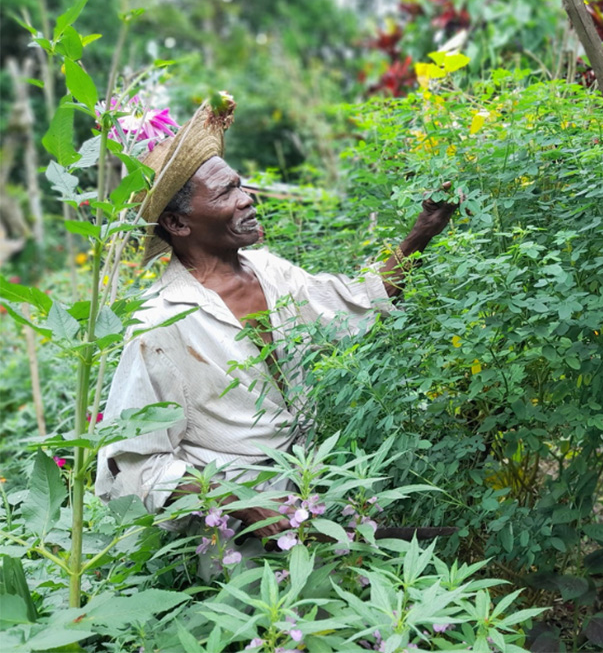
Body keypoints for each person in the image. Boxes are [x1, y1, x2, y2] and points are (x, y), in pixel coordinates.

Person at [95, 93, 458, 541]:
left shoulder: (269, 271)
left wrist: (423, 232)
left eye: (240, 185)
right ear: (178, 224)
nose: (248, 199)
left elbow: (355, 303)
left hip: (313, 490)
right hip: (231, 539)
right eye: (228, 192)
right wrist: (239, 504)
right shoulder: (160, 323)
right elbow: (134, 463)